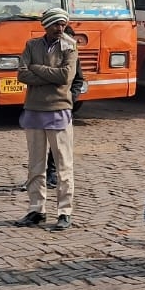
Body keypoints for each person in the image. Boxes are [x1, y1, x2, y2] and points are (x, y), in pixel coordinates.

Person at [14, 7, 78, 232]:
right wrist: (49, 74)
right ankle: (36, 209)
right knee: (35, 165)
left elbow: (65, 77)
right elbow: (21, 74)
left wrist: (37, 69)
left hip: (59, 111)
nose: (60, 28)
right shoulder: (32, 45)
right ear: (46, 26)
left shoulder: (69, 46)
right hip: (33, 111)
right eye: (55, 24)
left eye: (62, 24)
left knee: (63, 165)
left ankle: (64, 211)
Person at [45, 25, 86, 189]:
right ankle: (38, 175)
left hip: (63, 105)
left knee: (60, 142)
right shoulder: (43, 53)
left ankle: (53, 172)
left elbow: (78, 80)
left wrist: (71, 98)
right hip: (43, 104)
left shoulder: (73, 57)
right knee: (40, 142)